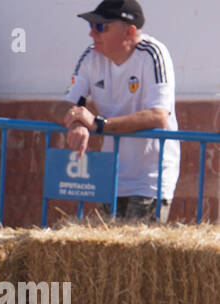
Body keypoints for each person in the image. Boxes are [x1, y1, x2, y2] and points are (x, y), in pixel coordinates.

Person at [60, 0, 178, 222]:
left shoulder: (153, 54)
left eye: (101, 26)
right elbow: (66, 103)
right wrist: (76, 123)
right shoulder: (90, 56)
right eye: (92, 26)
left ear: (129, 30)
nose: (92, 33)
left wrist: (98, 124)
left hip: (149, 180)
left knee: (139, 255)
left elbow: (158, 116)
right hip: (111, 176)